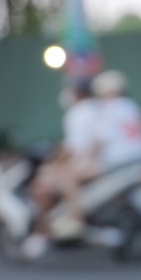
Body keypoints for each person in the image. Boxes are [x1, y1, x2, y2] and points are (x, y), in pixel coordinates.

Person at [22, 78, 103, 259]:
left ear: (78, 92)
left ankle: (48, 230)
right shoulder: (94, 109)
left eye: (69, 90)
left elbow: (72, 148)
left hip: (86, 165)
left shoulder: (79, 113)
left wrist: (53, 162)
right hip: (95, 163)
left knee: (40, 188)